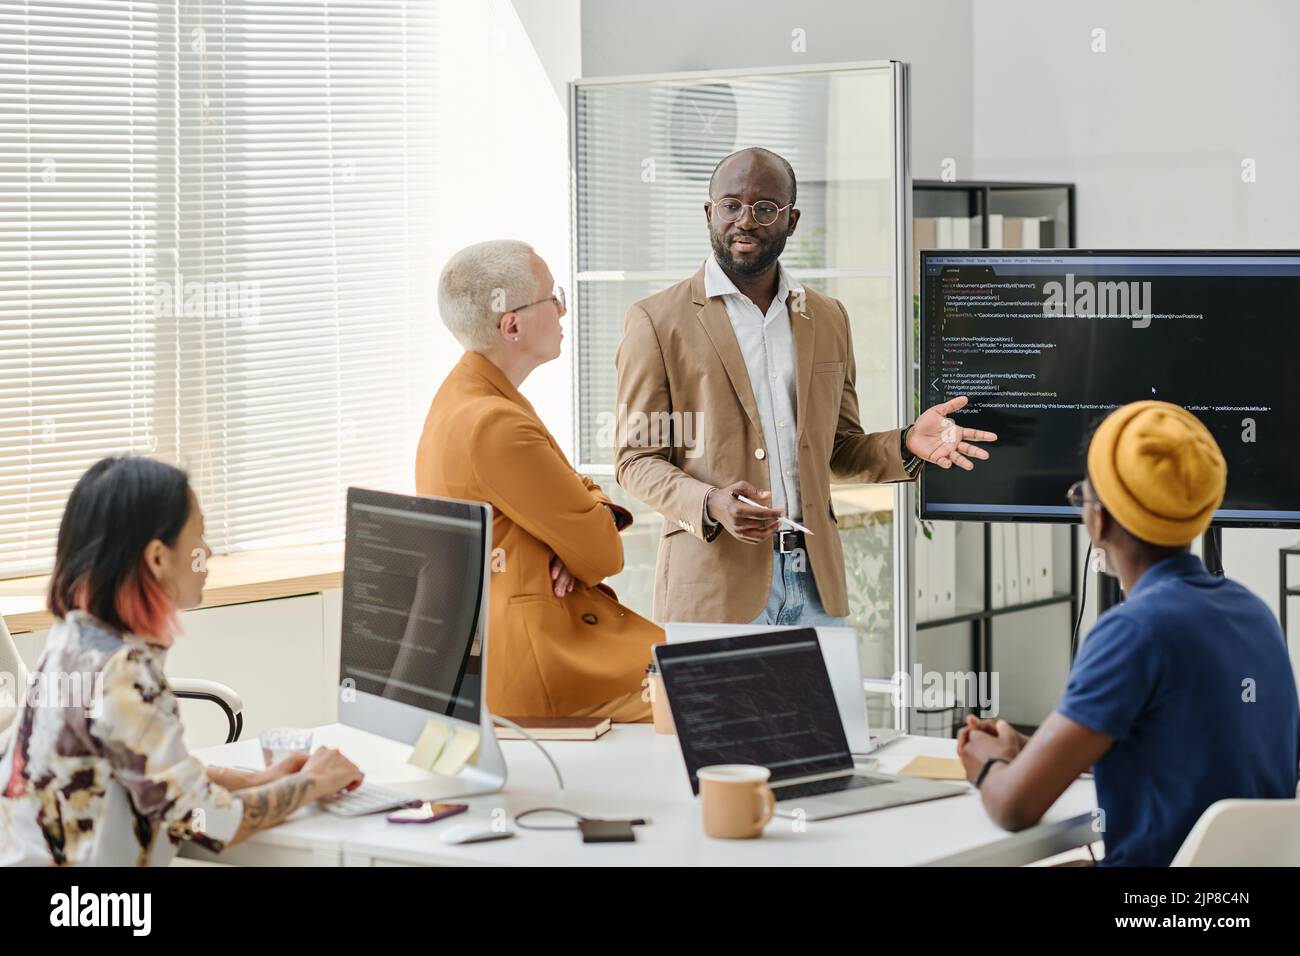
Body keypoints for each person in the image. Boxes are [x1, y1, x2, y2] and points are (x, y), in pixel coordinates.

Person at [615, 146, 998, 626]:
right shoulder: (656, 321)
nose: (746, 221)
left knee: (823, 706)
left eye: (765, 208)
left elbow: (838, 449)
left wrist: (906, 443)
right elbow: (635, 460)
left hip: (815, 585)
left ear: (791, 220)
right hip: (714, 585)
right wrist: (710, 503)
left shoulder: (827, 317)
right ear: (709, 213)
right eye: (731, 205)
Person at [957, 400, 1300, 866]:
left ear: (1098, 519)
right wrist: (1032, 751)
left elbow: (1013, 807)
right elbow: (1178, 750)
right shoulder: (1254, 612)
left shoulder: (1133, 631)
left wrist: (987, 765)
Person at [0, 456, 363, 866]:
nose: (207, 554)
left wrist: (258, 780)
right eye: (199, 538)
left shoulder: (74, 639)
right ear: (157, 558)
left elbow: (146, 770)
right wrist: (315, 781)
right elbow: (211, 823)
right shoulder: (123, 675)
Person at [416, 239, 661, 720]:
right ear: (512, 325)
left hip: (508, 650)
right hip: (546, 666)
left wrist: (569, 535)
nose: (564, 311)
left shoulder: (463, 398)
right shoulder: (495, 424)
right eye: (555, 298)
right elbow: (604, 552)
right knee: (721, 695)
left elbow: (576, 519)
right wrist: (578, 534)